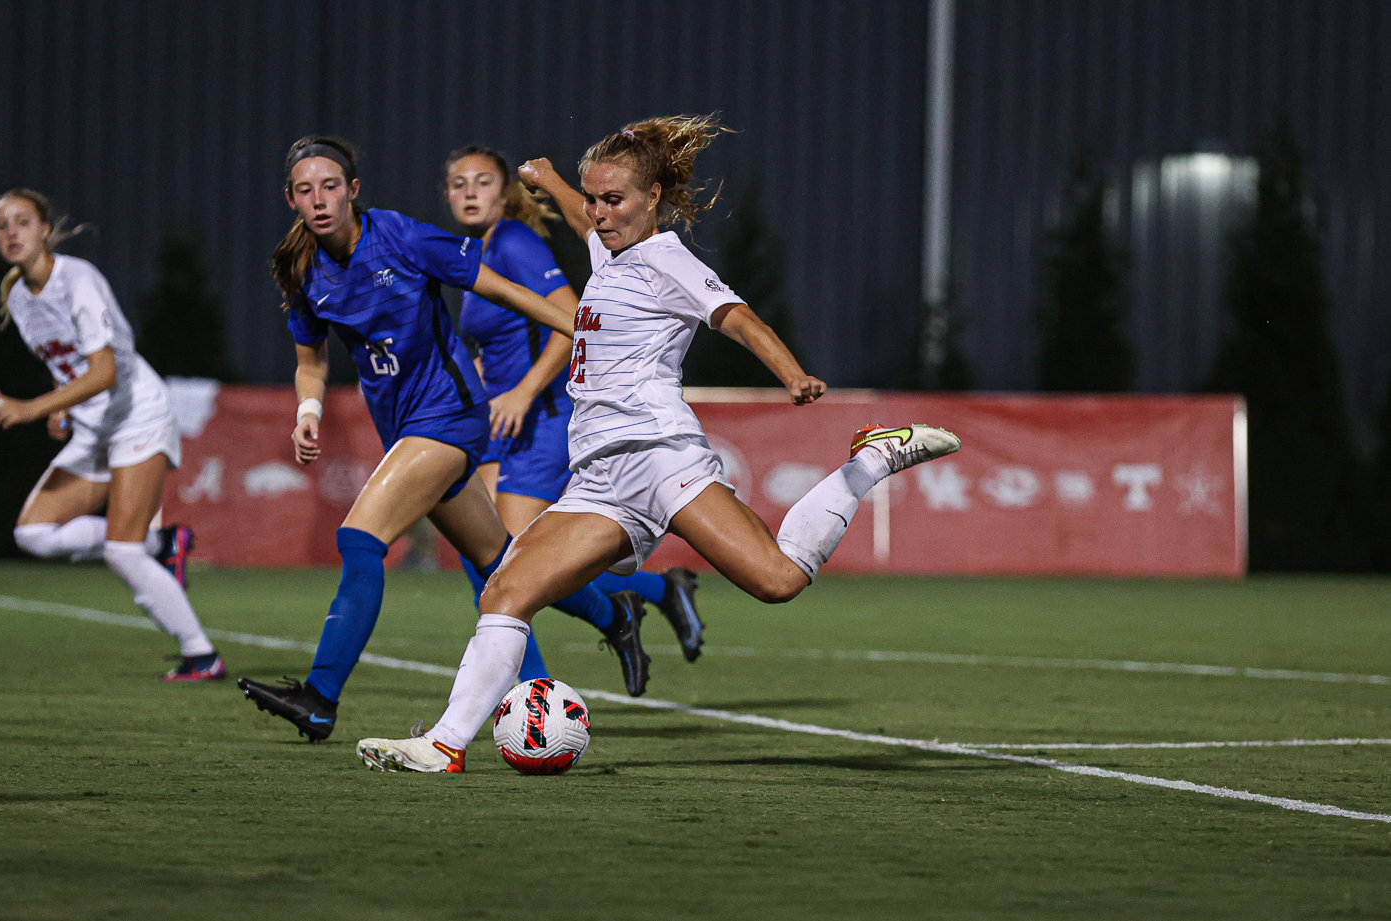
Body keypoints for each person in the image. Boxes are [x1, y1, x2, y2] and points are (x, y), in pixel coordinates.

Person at [356, 115, 961, 773]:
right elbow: (582, 221)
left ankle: (871, 457)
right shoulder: (607, 246)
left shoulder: (666, 258)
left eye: (612, 199)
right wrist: (555, 182)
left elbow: (736, 317)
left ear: (653, 201)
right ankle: (443, 745)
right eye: (592, 197)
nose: (597, 212)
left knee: (777, 579)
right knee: (504, 592)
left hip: (656, 456)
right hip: (595, 477)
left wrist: (791, 374)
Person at [236, 136, 651, 744]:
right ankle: (589, 641)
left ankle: (321, 696)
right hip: (406, 430)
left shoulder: (400, 236)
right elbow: (312, 359)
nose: (319, 199)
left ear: (353, 191)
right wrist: (307, 408)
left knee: (359, 539)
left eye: (331, 186)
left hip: (449, 418)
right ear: (292, 200)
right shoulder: (303, 268)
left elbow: (500, 289)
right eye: (305, 190)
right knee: (498, 568)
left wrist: (587, 330)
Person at [443, 145, 707, 662]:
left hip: (539, 415)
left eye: (483, 181)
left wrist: (522, 389)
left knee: (512, 564)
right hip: (502, 421)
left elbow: (575, 319)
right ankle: (658, 593)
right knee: (488, 558)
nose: (470, 191)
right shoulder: (481, 249)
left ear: (506, 191)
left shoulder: (514, 242)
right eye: (458, 183)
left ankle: (531, 691)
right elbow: (501, 343)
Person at [0, 189, 222, 682]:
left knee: (120, 551)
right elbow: (64, 363)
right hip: (96, 427)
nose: (10, 232)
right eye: (1, 225)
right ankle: (161, 545)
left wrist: (32, 408)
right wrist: (62, 407)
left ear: (45, 230)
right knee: (33, 534)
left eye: (22, 222)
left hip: (138, 416)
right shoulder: (17, 296)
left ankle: (202, 654)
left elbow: (105, 372)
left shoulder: (78, 281)